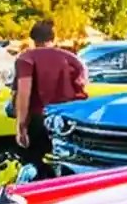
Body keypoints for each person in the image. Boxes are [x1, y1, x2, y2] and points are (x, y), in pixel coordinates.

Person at [14, 19, 86, 177]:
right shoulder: (72, 58)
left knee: (38, 165)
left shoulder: (26, 59)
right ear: (53, 38)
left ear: (33, 39)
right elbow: (81, 85)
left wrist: (21, 125)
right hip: (70, 119)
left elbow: (23, 92)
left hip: (40, 118)